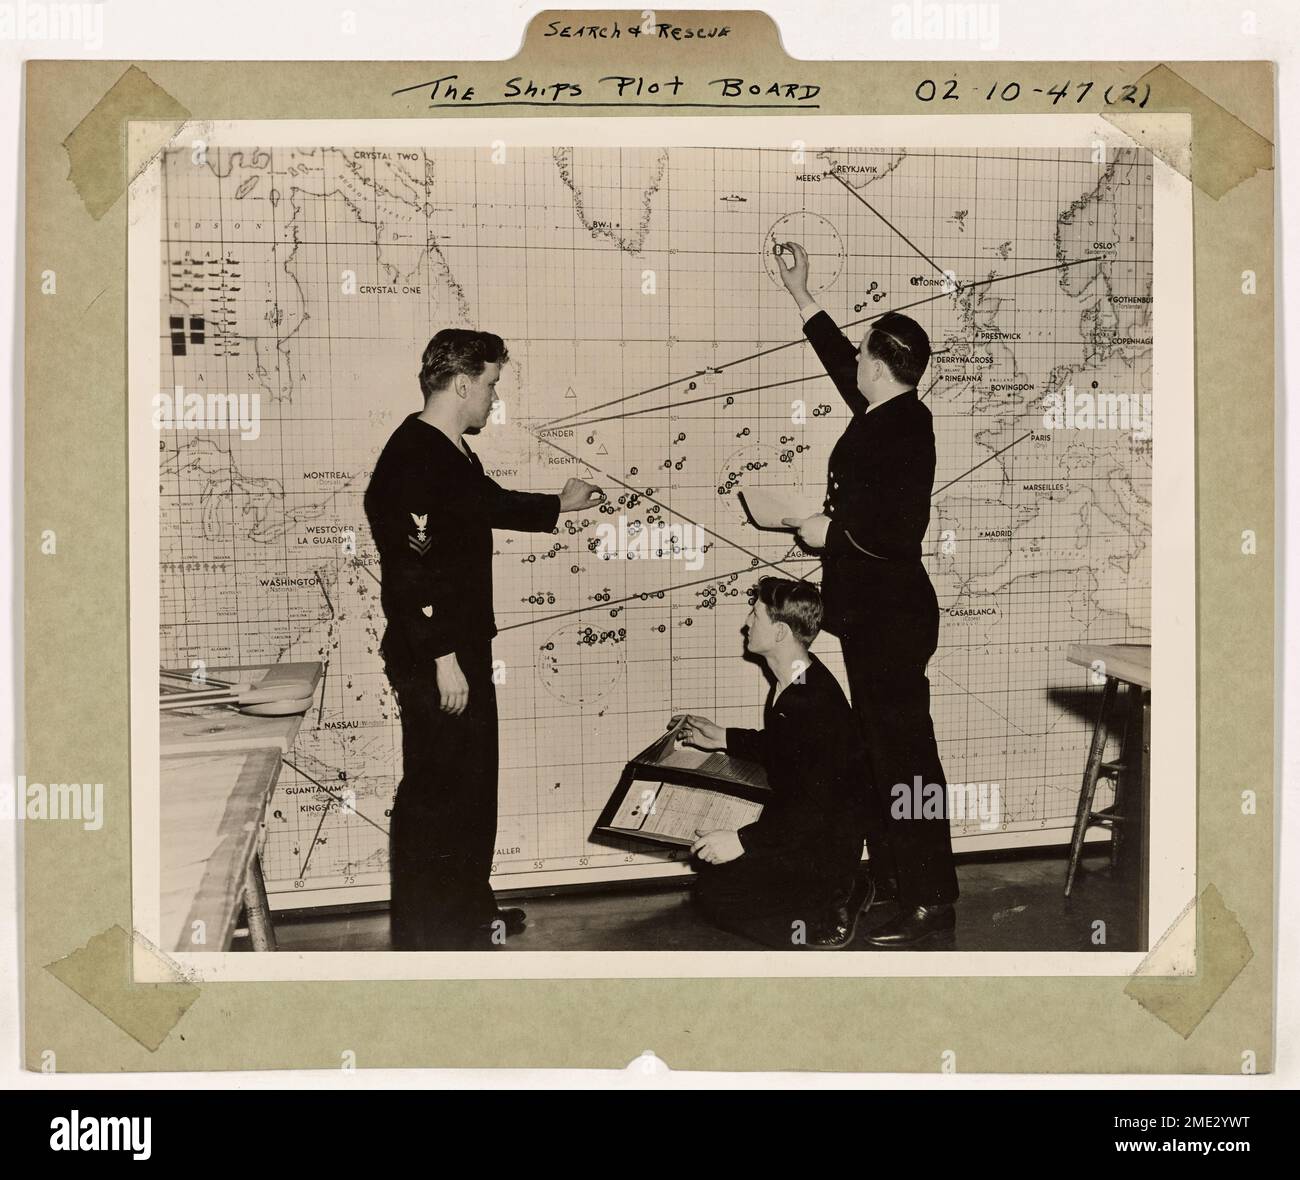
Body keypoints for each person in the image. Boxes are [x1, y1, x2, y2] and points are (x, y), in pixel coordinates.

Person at [364, 328, 603, 950]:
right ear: (463, 383)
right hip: (435, 652)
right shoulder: (415, 457)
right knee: (434, 790)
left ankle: (467, 907)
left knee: (468, 785)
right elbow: (408, 570)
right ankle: (424, 931)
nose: (495, 399)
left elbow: (482, 503)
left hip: (460, 646)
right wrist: (443, 658)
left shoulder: (446, 450)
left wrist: (560, 504)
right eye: (492, 385)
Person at [773, 240, 959, 947]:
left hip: (893, 619)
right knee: (888, 755)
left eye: (862, 357)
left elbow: (895, 530)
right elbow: (840, 361)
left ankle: (929, 898)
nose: (852, 362)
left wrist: (827, 531)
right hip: (878, 618)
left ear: (878, 367)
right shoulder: (888, 411)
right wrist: (802, 293)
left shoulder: (909, 428)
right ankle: (900, 880)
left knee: (908, 760)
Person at [673, 577, 872, 950]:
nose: (746, 623)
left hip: (821, 844)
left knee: (715, 896)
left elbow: (814, 808)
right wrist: (723, 737)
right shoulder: (796, 679)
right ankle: (840, 889)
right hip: (810, 832)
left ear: (779, 633)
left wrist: (742, 841)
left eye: (755, 614)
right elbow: (787, 747)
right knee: (716, 881)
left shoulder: (809, 703)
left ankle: (830, 908)